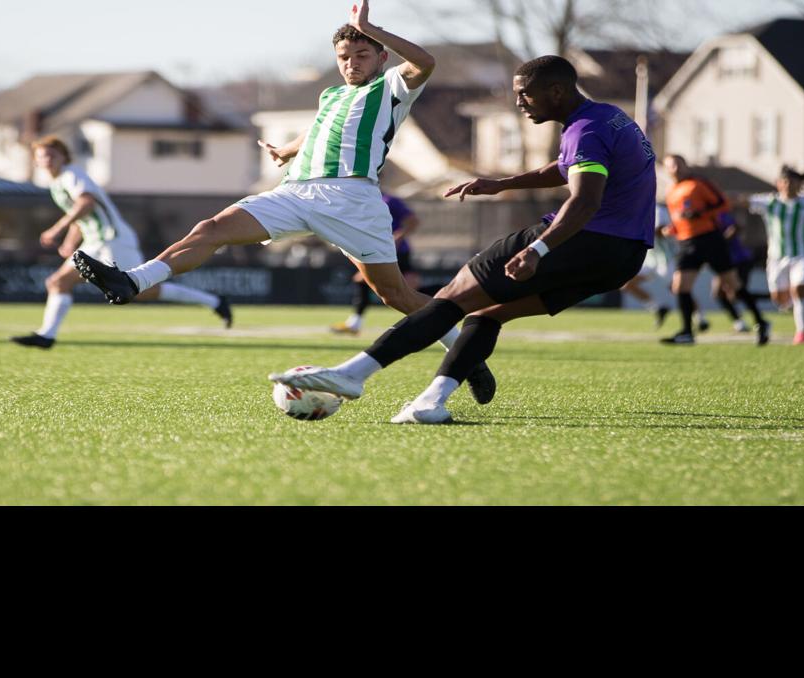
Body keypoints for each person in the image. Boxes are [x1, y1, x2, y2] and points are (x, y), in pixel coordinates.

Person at [72, 1, 494, 400]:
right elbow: (321, 129)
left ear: (381, 58)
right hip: (295, 191)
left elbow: (426, 62)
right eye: (345, 55)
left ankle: (464, 353)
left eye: (362, 53)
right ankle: (132, 281)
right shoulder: (330, 95)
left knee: (395, 296)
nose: (352, 62)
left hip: (352, 199)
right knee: (210, 229)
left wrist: (371, 28)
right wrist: (287, 151)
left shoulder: (392, 87)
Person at [271, 54, 654, 424]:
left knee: (451, 298)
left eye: (526, 94)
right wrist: (502, 184)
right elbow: (567, 168)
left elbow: (585, 200)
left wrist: (538, 249)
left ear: (556, 91)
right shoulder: (608, 118)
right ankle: (430, 402)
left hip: (582, 237)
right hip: (622, 256)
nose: (519, 102)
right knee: (488, 313)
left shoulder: (585, 129)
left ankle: (352, 374)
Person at [9, 136, 230, 349]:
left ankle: (213, 301)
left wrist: (58, 228)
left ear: (64, 157)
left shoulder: (71, 175)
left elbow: (85, 202)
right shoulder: (58, 183)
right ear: (36, 161)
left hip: (112, 240)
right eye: (42, 156)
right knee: (58, 283)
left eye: (52, 155)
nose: (47, 159)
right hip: (95, 241)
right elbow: (82, 216)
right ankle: (46, 336)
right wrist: (69, 242)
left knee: (140, 289)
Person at [659, 155, 744, 345]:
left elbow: (724, 206)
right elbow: (679, 220)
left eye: (679, 164)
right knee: (680, 287)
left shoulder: (699, 184)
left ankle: (757, 322)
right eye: (672, 166)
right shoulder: (671, 191)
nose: (676, 169)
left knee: (731, 288)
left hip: (711, 241)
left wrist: (699, 214)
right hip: (687, 244)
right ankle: (688, 331)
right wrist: (672, 229)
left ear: (686, 165)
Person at [751, 165, 804, 345]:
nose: (788, 185)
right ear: (778, 183)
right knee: (779, 300)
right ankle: (803, 302)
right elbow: (739, 200)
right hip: (777, 257)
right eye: (784, 181)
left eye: (792, 181)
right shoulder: (768, 202)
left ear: (799, 184)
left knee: (799, 290)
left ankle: (802, 333)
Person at [334, 192, 419, 335]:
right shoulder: (358, 198)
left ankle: (447, 305)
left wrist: (397, 237)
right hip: (376, 248)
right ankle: (354, 323)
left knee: (404, 290)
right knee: (406, 289)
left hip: (395, 250)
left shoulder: (389, 200)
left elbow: (413, 221)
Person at [711, 210, 770, 344]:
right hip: (724, 261)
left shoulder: (719, 214)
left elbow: (736, 226)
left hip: (740, 260)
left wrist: (722, 240)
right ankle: (739, 322)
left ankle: (767, 302)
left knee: (735, 293)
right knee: (719, 294)